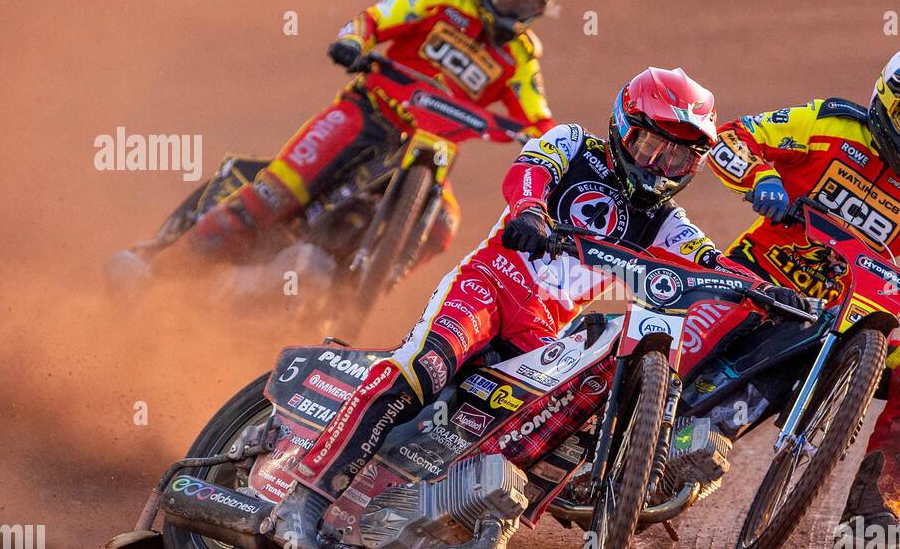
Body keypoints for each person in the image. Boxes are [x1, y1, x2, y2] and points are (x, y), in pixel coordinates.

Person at [291, 66, 802, 497]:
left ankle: (464, 502)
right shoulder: (573, 143)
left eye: (678, 157)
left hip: (543, 329)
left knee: (568, 424)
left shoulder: (668, 221)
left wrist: (763, 292)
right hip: (492, 283)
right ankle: (307, 493)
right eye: (650, 146)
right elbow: (529, 171)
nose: (659, 166)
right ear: (624, 125)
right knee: (423, 367)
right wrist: (531, 213)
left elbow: (708, 261)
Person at [705, 44, 900, 549]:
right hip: (757, 280)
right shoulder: (829, 123)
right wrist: (762, 179)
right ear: (884, 101)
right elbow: (733, 138)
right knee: (679, 339)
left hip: (843, 321)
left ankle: (871, 524)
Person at [188, 0, 565, 259]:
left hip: (432, 149)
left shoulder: (520, 57)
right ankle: (171, 264)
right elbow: (377, 18)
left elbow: (539, 119)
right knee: (275, 194)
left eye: (531, 4)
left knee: (443, 223)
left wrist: (559, 152)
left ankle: (355, 290)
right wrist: (352, 41)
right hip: (369, 112)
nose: (517, 11)